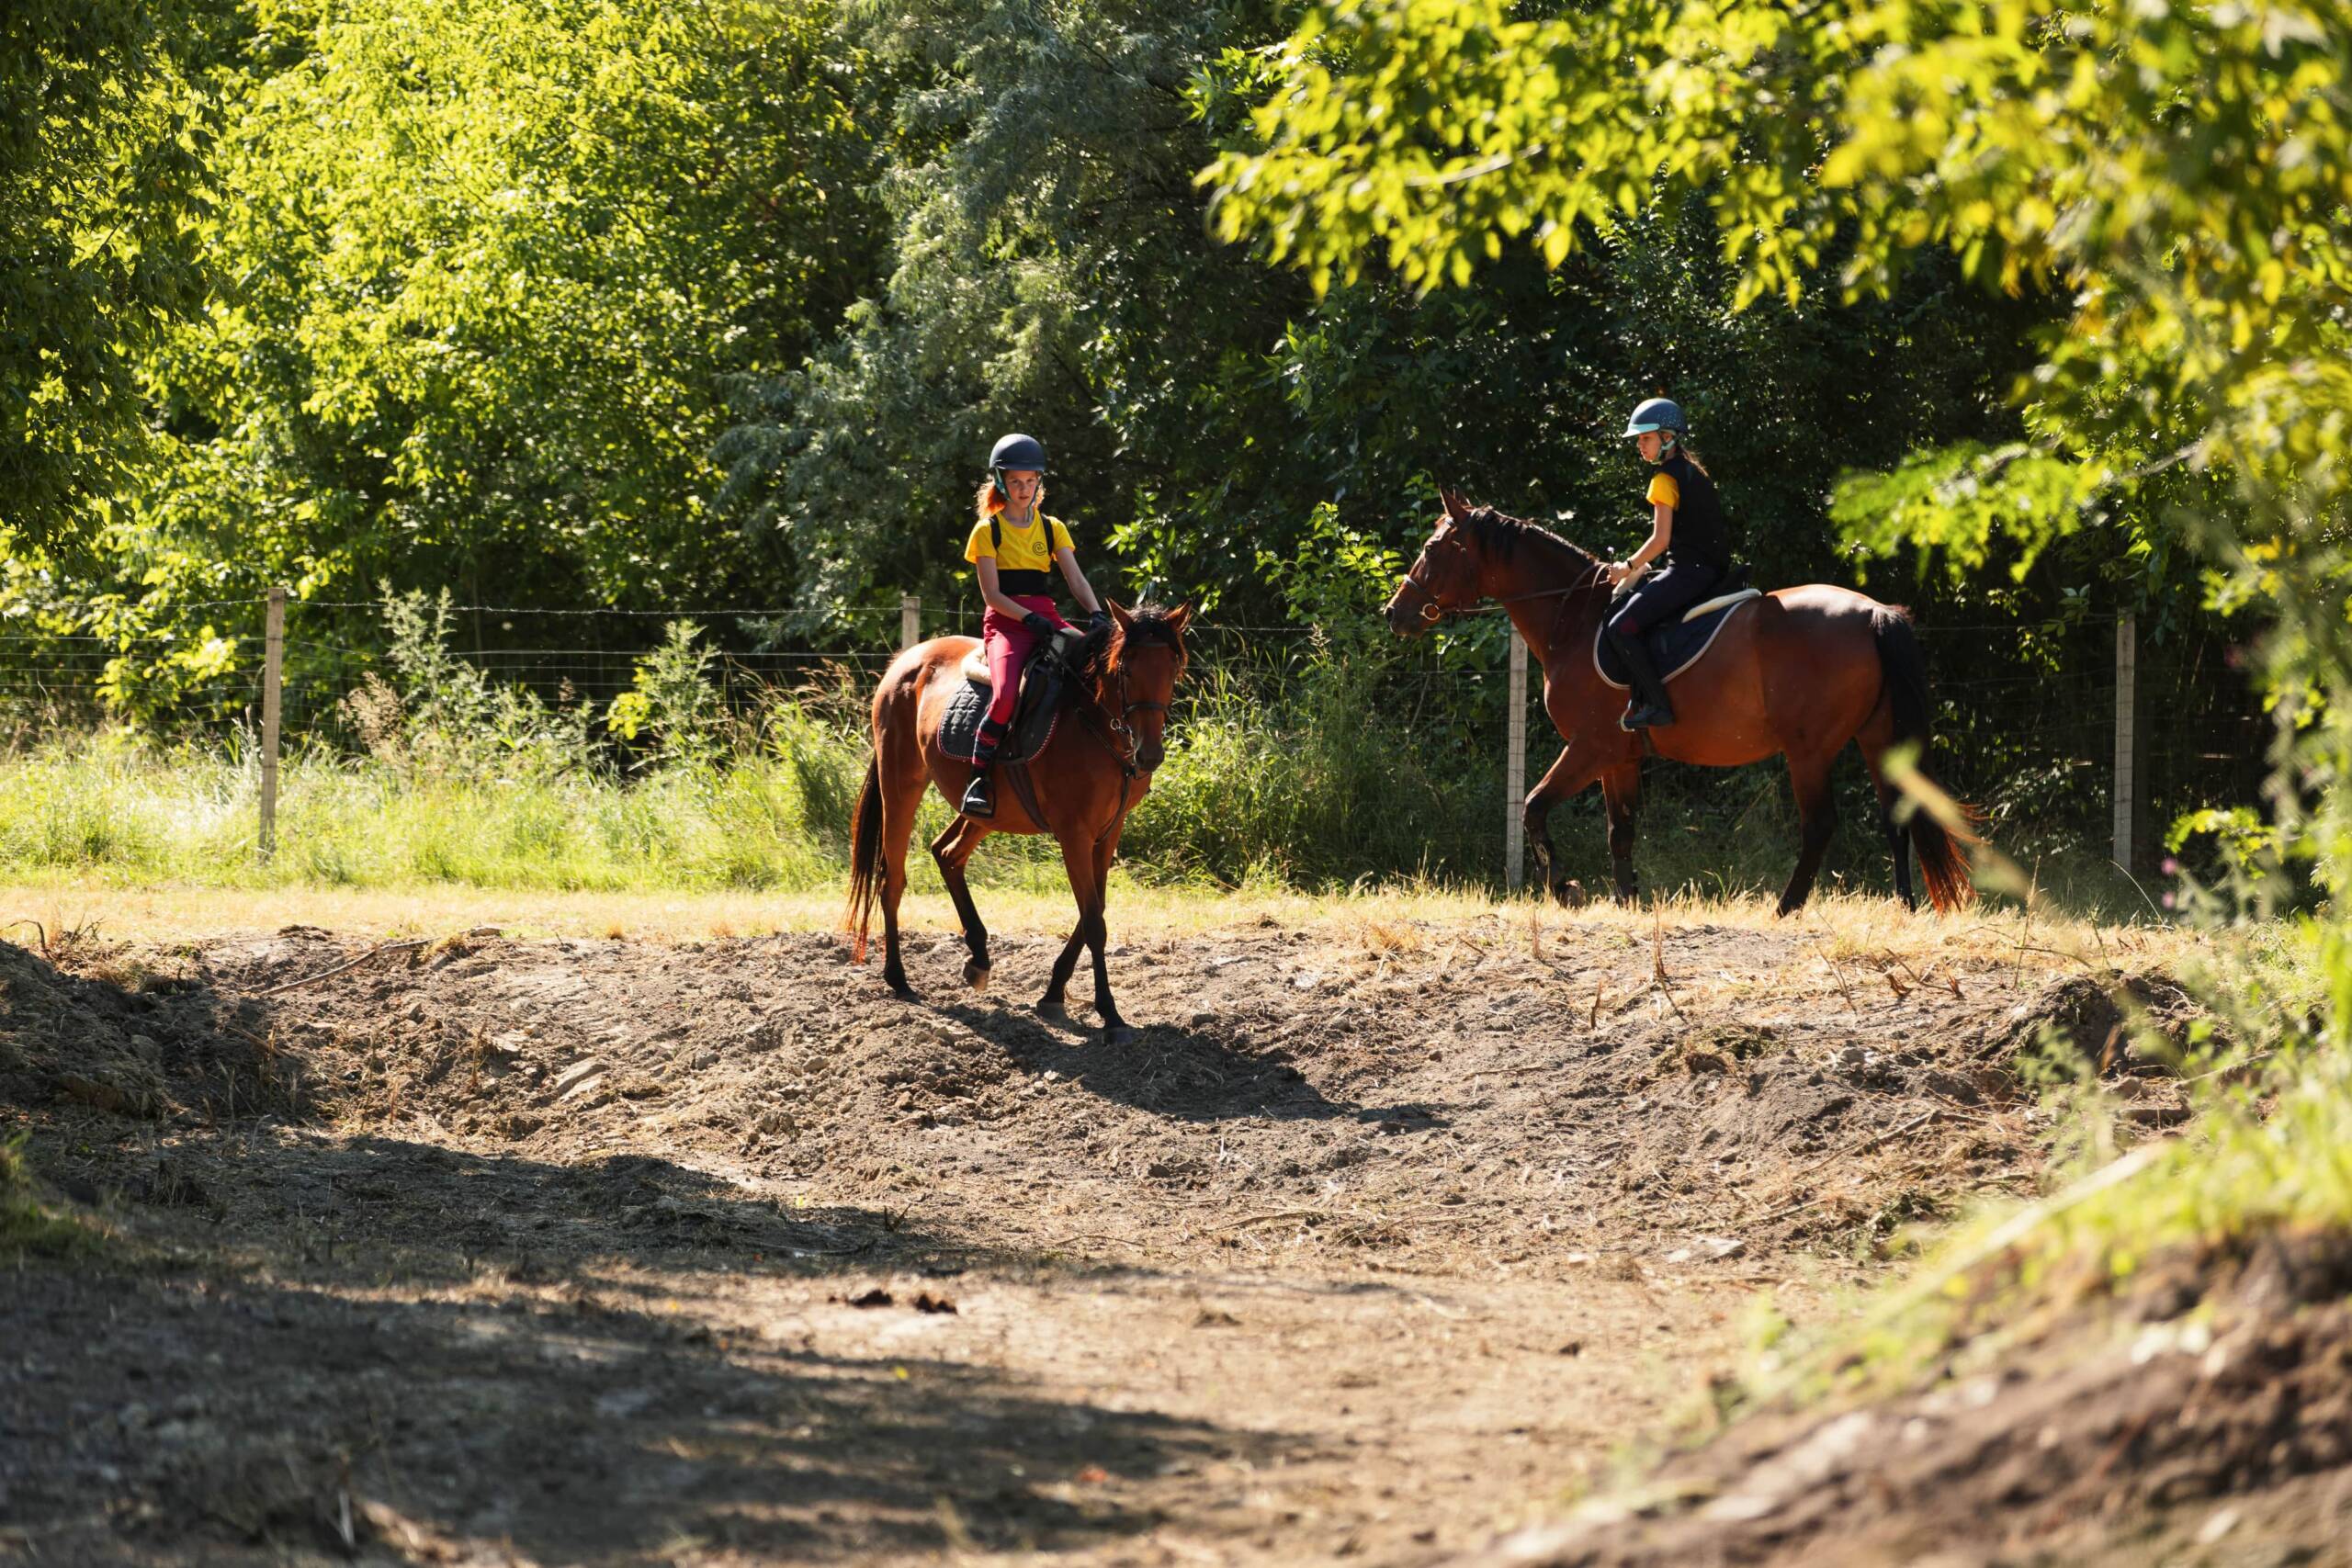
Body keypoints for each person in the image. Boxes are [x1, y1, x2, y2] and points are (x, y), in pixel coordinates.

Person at [960, 432, 1108, 818]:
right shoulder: (987, 531)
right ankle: (979, 779)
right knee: (1006, 695)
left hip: (1047, 616)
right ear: (1000, 482)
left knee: (1097, 673)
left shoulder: (1052, 527)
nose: (1024, 489)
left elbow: (1076, 579)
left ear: (1039, 481)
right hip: (1006, 624)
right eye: (1015, 482)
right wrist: (1027, 618)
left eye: (1030, 481)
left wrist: (1096, 614)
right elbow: (992, 595)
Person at [1601, 398, 1734, 729]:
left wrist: (1627, 566)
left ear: (1667, 437)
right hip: (1711, 571)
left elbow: (1660, 541)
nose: (1639, 445)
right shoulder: (1695, 472)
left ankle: (1658, 706)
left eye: (1645, 438)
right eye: (1639, 439)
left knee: (1620, 627)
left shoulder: (1664, 479)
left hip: (1688, 573)